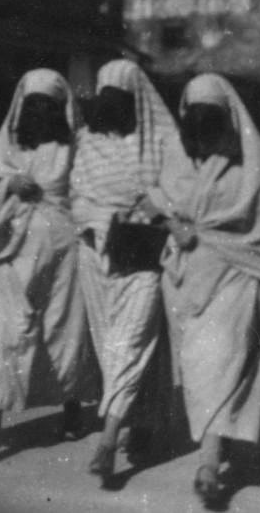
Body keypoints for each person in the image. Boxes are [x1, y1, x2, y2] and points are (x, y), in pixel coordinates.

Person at [160, 73, 260, 508]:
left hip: (238, 278)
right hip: (186, 281)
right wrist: (173, 225)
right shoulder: (176, 156)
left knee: (223, 364)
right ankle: (220, 444)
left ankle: (208, 463)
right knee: (200, 369)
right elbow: (163, 204)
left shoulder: (251, 164)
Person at [0, 69, 90, 461]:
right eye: (34, 105)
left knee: (64, 331)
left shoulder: (76, 144)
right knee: (0, 330)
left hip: (64, 252)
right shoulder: (9, 142)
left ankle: (72, 408)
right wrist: (10, 185)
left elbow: (89, 190)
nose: (41, 112)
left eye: (49, 106)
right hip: (15, 249)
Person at [70, 59, 188, 482]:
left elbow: (179, 195)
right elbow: (76, 199)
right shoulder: (86, 142)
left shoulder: (162, 141)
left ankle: (107, 441)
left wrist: (150, 206)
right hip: (95, 258)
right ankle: (139, 422)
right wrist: (103, 221)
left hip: (143, 258)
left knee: (132, 342)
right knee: (113, 347)